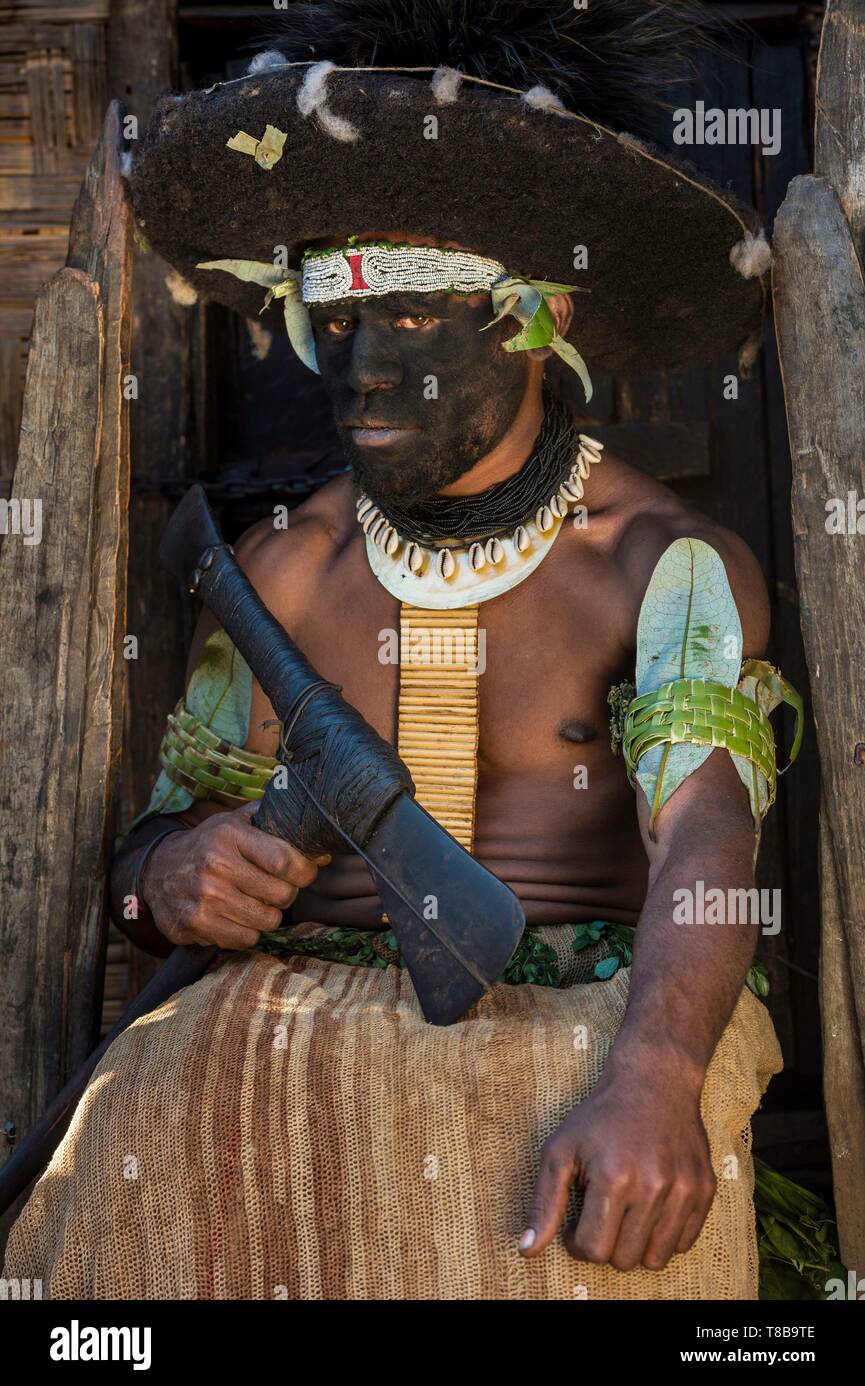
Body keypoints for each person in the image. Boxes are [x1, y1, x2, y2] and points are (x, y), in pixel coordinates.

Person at [3, 1, 799, 1299]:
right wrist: (179, 870)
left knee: (558, 1209)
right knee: (134, 1146)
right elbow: (144, 870)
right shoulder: (283, 572)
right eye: (335, 320)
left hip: (581, 1014)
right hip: (278, 1027)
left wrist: (654, 1071)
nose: (363, 371)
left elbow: (705, 844)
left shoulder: (660, 567)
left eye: (417, 317)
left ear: (534, 324)